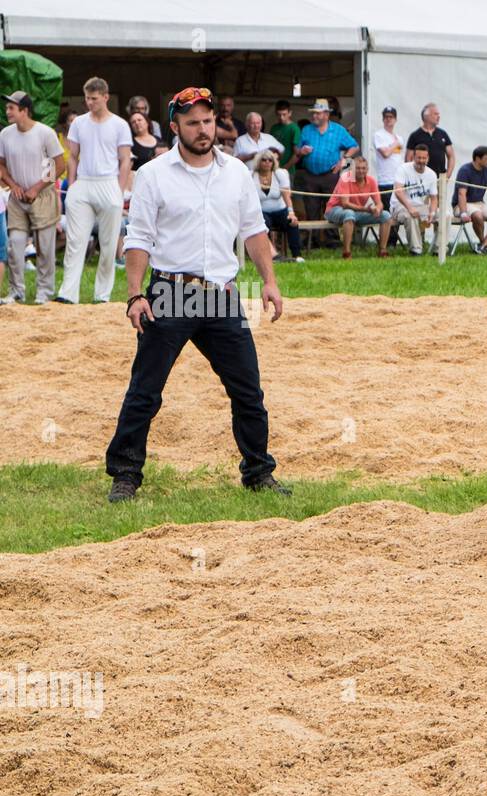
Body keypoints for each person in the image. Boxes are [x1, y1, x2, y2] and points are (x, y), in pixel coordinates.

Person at [106, 86, 288, 503]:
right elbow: (139, 238)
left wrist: (270, 282)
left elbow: (254, 231)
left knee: (247, 390)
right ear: (175, 127)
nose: (203, 129)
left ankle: (259, 472)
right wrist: (135, 295)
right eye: (193, 123)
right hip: (170, 292)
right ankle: (125, 475)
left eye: (208, 121)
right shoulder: (153, 174)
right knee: (145, 391)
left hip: (223, 294)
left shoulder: (236, 172)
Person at [56, 77, 132, 305]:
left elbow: (125, 160)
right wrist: (73, 184)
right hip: (84, 183)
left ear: (105, 97)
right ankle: (68, 293)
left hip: (109, 182)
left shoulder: (119, 124)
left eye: (94, 99)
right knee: (75, 242)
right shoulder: (79, 123)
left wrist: (119, 191)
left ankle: (102, 295)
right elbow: (72, 157)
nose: (90, 102)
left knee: (109, 246)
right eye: (87, 98)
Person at [0, 91, 66, 304]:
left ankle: (44, 293)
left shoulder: (45, 133)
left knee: (45, 247)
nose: (7, 111)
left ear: (24, 110)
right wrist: (13, 185)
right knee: (15, 245)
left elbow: (59, 165)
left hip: (43, 196)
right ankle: (16, 291)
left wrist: (37, 188)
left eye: (11, 108)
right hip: (18, 198)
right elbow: (1, 164)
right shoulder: (5, 134)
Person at [295, 98, 359, 224]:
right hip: (310, 175)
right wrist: (301, 151)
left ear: (326, 114)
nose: (314, 116)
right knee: (310, 208)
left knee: (332, 207)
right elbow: (297, 150)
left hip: (330, 174)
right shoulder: (306, 129)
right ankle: (312, 240)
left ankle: (332, 240)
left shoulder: (338, 130)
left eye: (317, 113)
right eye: (313, 113)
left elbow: (354, 146)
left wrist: (343, 161)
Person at [324, 155, 392, 259]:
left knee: (386, 215)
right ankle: (346, 253)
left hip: (356, 211)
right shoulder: (346, 178)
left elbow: (379, 202)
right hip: (335, 209)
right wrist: (366, 209)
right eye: (358, 168)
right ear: (353, 169)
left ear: (367, 169)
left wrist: (378, 208)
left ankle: (383, 251)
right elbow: (345, 204)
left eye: (363, 168)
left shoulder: (372, 181)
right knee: (349, 214)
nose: (361, 171)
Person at [454, 145, 487, 255]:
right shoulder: (464, 170)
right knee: (477, 215)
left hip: (479, 203)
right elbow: (461, 194)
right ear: (478, 159)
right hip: (462, 204)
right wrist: (463, 213)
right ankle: (483, 243)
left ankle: (483, 245)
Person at [253, 150, 303, 263]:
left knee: (292, 222)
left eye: (270, 160)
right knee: (263, 223)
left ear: (273, 162)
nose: (267, 162)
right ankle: (271, 255)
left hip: (280, 209)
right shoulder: (251, 176)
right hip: (261, 211)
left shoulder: (280, 173)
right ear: (258, 162)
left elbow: (286, 195)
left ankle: (297, 255)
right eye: (264, 160)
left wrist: (291, 212)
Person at [390, 143, 438, 256]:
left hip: (420, 207)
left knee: (445, 214)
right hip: (400, 206)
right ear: (413, 157)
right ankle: (416, 250)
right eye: (419, 157)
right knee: (409, 215)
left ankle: (439, 249)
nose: (421, 160)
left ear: (428, 158)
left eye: (424, 158)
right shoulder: (403, 169)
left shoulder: (431, 174)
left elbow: (434, 198)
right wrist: (410, 207)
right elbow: (398, 191)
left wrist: (432, 212)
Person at [405, 103, 454, 179]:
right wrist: (413, 177)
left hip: (440, 180)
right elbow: (408, 158)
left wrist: (447, 176)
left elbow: (451, 156)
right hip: (421, 180)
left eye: (438, 114)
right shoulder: (415, 136)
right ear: (426, 116)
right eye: (435, 114)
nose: (438, 116)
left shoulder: (443, 134)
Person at [372, 105, 403, 213]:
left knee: (397, 212)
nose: (388, 119)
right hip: (385, 180)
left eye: (391, 117)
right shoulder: (379, 135)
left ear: (395, 119)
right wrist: (396, 144)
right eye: (386, 117)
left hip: (398, 180)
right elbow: (385, 153)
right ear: (383, 119)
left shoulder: (399, 137)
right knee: (387, 213)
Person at [268, 101, 300, 171]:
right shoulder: (274, 128)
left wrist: (286, 167)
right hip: (273, 167)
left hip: (288, 169)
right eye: (279, 115)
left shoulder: (294, 129)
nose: (281, 117)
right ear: (276, 113)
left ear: (290, 113)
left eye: (284, 114)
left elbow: (297, 154)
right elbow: (270, 148)